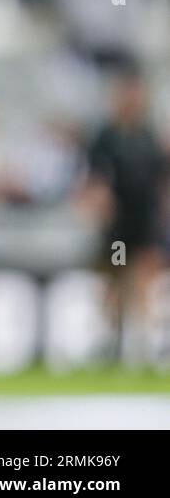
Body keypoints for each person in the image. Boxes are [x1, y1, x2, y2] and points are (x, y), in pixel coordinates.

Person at [79, 63, 168, 367]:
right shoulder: (106, 136)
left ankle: (142, 344)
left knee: (143, 279)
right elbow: (94, 180)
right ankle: (110, 340)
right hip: (117, 224)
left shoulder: (148, 136)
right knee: (114, 282)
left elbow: (160, 180)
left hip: (144, 221)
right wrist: (97, 206)